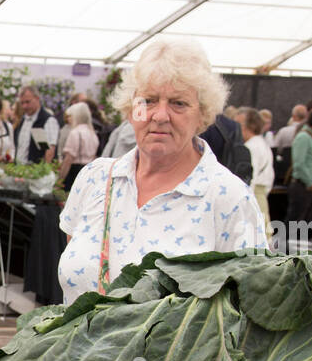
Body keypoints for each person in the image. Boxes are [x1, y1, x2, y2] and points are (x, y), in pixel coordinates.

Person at [57, 37, 266, 304]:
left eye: (178, 103)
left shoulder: (229, 198)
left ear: (202, 113)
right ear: (131, 109)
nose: (160, 115)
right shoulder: (95, 179)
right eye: (149, 100)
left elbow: (248, 308)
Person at [240, 107, 274, 239]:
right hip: (261, 192)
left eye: (239, 124)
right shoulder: (262, 143)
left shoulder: (251, 147)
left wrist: (247, 202)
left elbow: (250, 177)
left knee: (259, 235)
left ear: (249, 126)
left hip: (255, 193)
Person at [58, 101, 99, 192]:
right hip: (89, 172)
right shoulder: (92, 133)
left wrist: (60, 179)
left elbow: (68, 159)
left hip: (75, 172)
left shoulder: (75, 133)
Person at [15, 85, 59, 165]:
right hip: (19, 170)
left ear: (37, 99)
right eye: (22, 103)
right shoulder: (23, 120)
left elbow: (49, 150)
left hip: (34, 173)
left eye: (28, 102)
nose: (24, 106)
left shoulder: (47, 120)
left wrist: (43, 172)